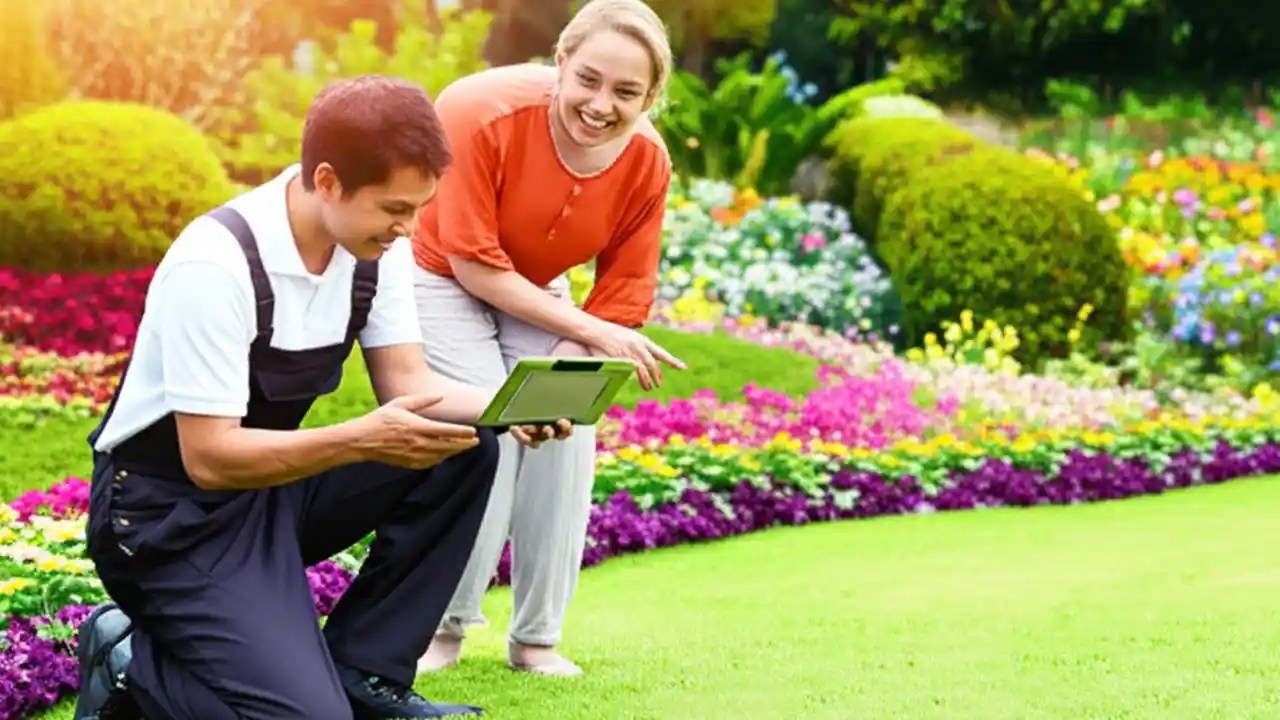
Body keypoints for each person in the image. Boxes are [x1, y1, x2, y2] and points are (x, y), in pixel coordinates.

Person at [72, 75, 572, 720]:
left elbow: (410, 387)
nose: (409, 227)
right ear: (328, 181)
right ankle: (126, 663)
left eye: (419, 207)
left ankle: (365, 675)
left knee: (464, 447)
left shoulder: (372, 246)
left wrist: (507, 406)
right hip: (165, 519)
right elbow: (209, 458)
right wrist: (362, 439)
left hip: (268, 496)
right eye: (395, 208)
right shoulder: (216, 264)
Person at [411, 0, 683, 678]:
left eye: (626, 92)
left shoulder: (647, 160)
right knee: (490, 433)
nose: (600, 104)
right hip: (439, 274)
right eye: (588, 79)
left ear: (651, 97)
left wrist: (562, 373)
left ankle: (536, 638)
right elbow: (471, 260)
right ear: (560, 64)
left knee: (566, 430)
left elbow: (623, 290)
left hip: (537, 289)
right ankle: (443, 628)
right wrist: (589, 334)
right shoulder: (477, 109)